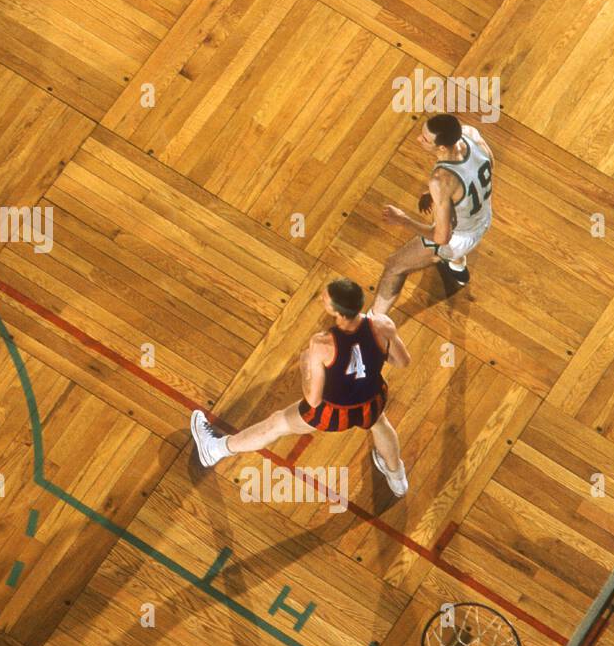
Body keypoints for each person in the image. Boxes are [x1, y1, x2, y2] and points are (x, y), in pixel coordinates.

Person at [190, 279, 411, 496]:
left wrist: (306, 365)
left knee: (277, 423)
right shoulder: (382, 325)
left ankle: (214, 449)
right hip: (372, 400)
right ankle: (397, 477)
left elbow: (313, 399)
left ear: (337, 312)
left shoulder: (322, 344)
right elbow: (402, 362)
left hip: (333, 412)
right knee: (380, 424)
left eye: (325, 299)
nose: (321, 298)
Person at [373, 115, 494, 315]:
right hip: (484, 216)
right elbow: (489, 163)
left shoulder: (441, 181)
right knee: (448, 215)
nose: (419, 140)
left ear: (442, 148)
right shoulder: (470, 134)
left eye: (425, 139)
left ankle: (373, 325)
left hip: (458, 238)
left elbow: (441, 237)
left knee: (394, 266)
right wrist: (438, 196)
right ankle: (457, 266)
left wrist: (403, 220)